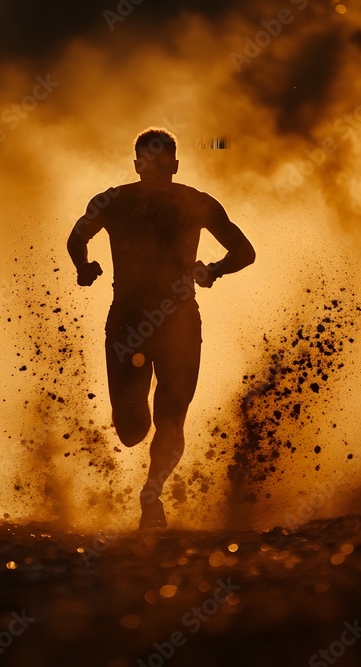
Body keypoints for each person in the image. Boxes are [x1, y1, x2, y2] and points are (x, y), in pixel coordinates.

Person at [67, 128, 256, 529]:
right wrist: (83, 267)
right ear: (136, 165)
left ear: (174, 165)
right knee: (132, 430)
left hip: (178, 321)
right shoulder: (112, 201)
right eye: (145, 162)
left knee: (171, 417)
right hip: (128, 323)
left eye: (159, 162)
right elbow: (76, 237)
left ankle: (151, 493)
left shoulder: (197, 203)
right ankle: (148, 476)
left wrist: (215, 269)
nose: (151, 169)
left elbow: (245, 251)